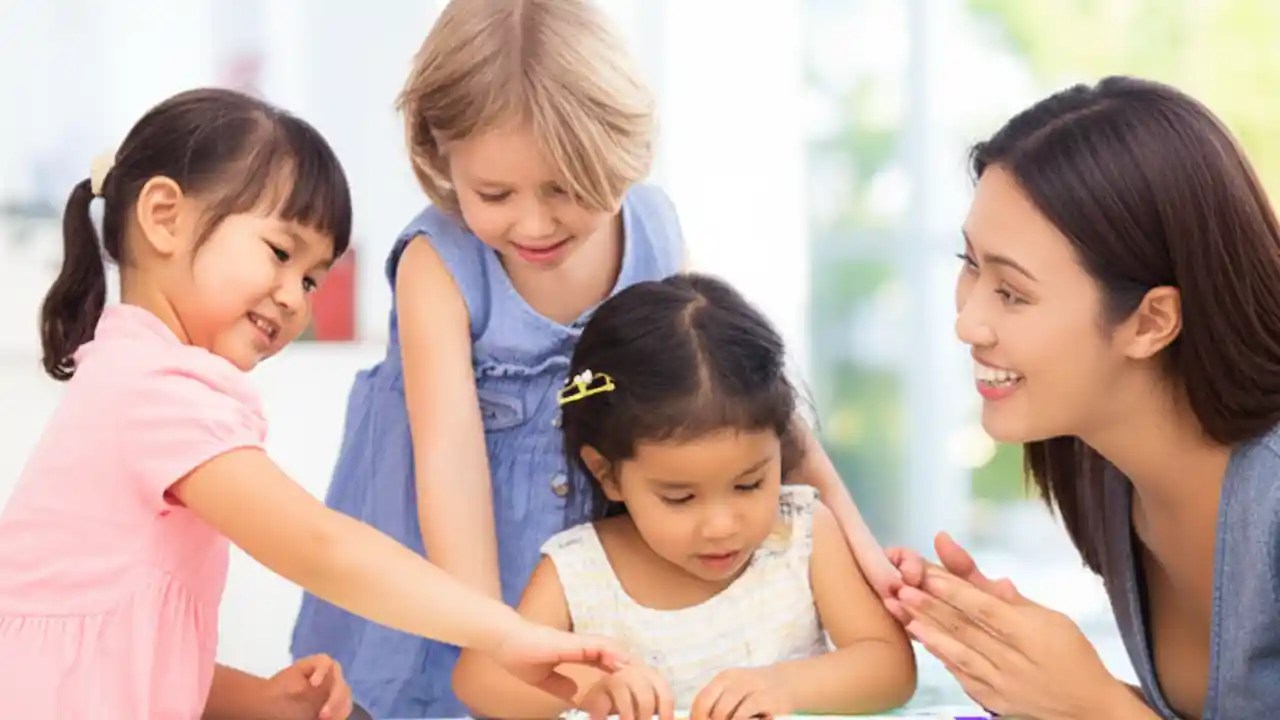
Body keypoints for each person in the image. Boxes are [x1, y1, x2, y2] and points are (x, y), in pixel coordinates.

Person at [290, 1, 899, 716]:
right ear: (439, 153)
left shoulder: (651, 229)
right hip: (448, 566)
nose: (535, 222)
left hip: (569, 575)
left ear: (617, 151)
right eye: (495, 193)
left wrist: (857, 539)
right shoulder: (439, 265)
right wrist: (499, 644)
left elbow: (737, 387)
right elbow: (449, 462)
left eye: (567, 188)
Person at [0, 87, 625, 720]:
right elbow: (321, 548)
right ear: (164, 216)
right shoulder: (153, 394)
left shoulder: (136, 376)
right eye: (279, 252)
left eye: (310, 278)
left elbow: (119, 645)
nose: (295, 299)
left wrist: (261, 700)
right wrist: (505, 633)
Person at [890, 76, 1280, 719]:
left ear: (1152, 321)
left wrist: (1094, 707)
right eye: (970, 265)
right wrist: (1026, 675)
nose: (967, 323)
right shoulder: (1103, 470)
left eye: (1012, 292)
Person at [454, 273, 916, 720]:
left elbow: (890, 668)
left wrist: (784, 685)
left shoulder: (802, 535)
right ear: (607, 474)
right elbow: (478, 681)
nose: (721, 525)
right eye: (679, 498)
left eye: (749, 484)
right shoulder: (581, 569)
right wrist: (593, 688)